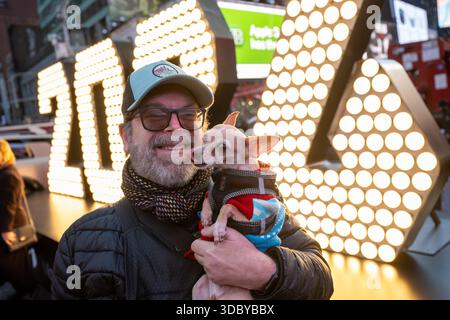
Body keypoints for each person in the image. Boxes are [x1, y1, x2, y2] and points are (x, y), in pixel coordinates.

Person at [51, 61, 334, 299]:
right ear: (125, 137)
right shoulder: (83, 241)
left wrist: (264, 272)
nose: (175, 128)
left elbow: (321, 279)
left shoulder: (251, 196)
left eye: (188, 115)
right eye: (153, 116)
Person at [0, 139, 36, 298]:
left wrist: (5, 230)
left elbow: (8, 205)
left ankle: (29, 291)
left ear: (3, 154)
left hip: (13, 229)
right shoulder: (5, 172)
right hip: (9, 227)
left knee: (14, 265)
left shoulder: (9, 175)